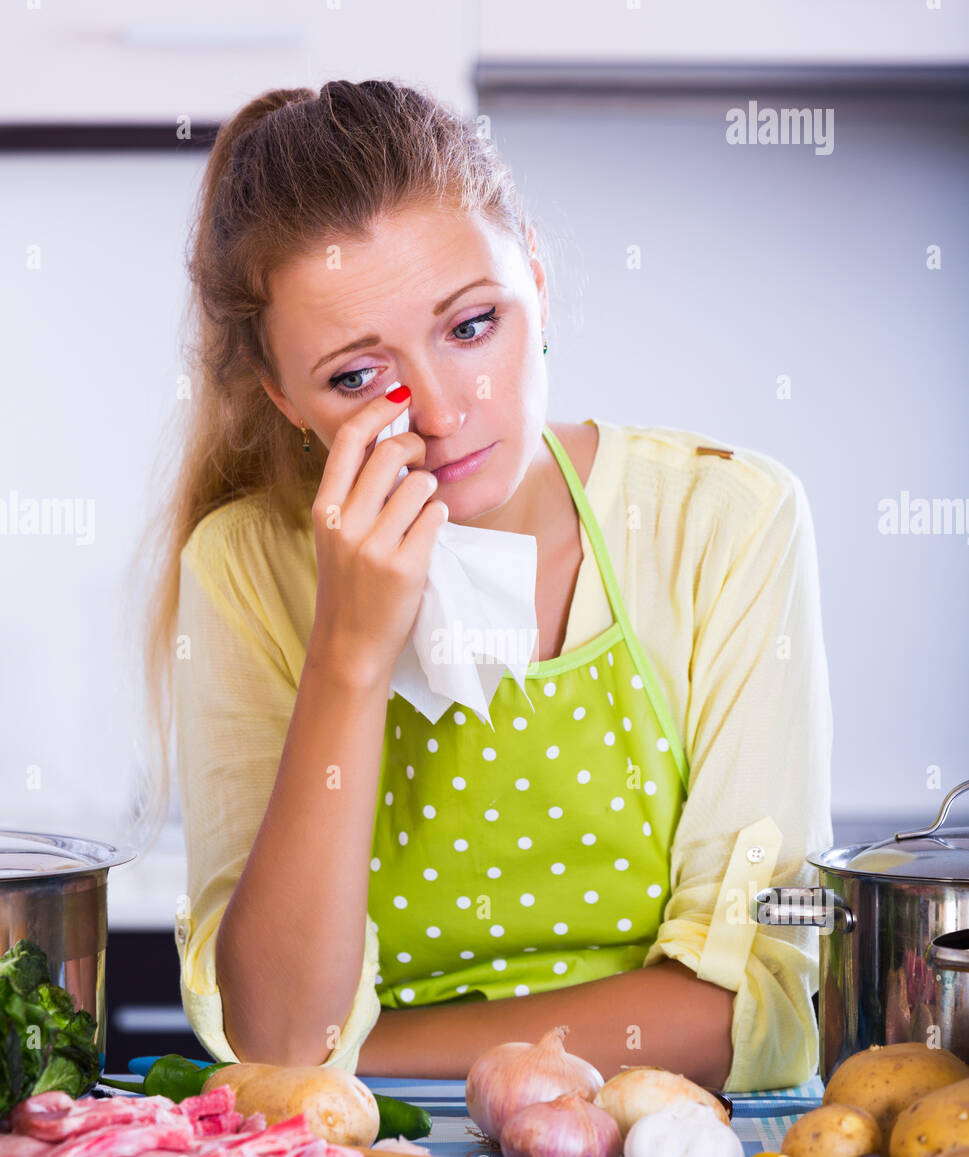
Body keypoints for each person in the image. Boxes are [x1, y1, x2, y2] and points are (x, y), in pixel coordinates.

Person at [141, 80, 833, 1091]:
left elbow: (753, 1007)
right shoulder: (245, 567)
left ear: (538, 282)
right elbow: (283, 1031)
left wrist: (368, 1054)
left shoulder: (725, 523)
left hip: (664, 1156)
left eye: (471, 326)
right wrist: (349, 650)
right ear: (285, 397)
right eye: (354, 377)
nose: (442, 409)